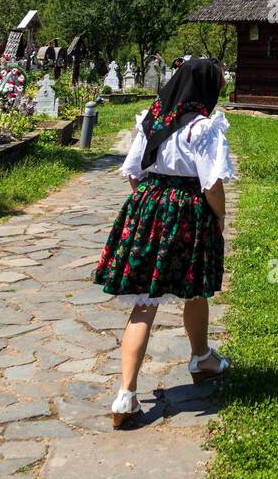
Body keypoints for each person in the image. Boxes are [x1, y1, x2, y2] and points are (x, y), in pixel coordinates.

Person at [94, 57, 233, 427]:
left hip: (149, 207)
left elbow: (133, 173)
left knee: (145, 300)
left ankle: (126, 394)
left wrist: (150, 204)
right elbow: (211, 184)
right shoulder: (204, 128)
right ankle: (201, 358)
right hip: (189, 211)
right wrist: (219, 215)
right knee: (195, 287)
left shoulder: (152, 119)